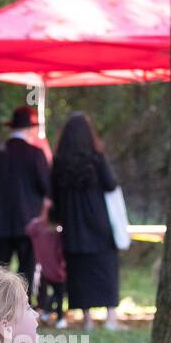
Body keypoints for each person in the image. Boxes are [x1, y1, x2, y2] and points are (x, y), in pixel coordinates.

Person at [49, 112, 122, 330]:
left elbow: (54, 197)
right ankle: (110, 317)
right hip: (99, 223)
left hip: (72, 227)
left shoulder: (59, 163)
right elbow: (110, 185)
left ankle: (86, 318)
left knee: (78, 272)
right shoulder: (97, 159)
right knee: (105, 268)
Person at [0, 106, 51, 300]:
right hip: (28, 222)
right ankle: (23, 306)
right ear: (29, 129)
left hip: (0, 222)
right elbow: (45, 185)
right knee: (26, 270)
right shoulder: (36, 154)